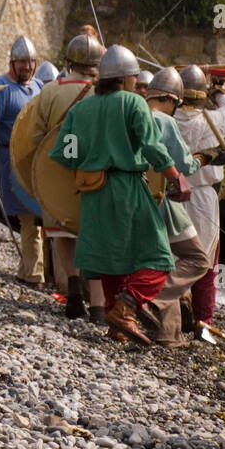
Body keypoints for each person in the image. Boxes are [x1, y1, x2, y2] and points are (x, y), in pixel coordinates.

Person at [51, 46, 188, 345]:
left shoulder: (80, 109)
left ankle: (116, 323)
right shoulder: (134, 104)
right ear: (126, 78)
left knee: (112, 260)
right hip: (127, 189)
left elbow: (64, 152)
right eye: (134, 77)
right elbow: (152, 146)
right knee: (160, 258)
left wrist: (90, 158)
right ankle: (126, 309)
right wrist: (174, 177)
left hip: (92, 191)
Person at [21, 32, 105, 319]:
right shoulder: (102, 92)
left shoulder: (50, 92)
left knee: (62, 232)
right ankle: (98, 304)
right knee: (93, 234)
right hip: (93, 173)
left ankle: (73, 290)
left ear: (69, 61)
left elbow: (34, 137)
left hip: (55, 172)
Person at [138, 68, 213, 346]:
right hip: (164, 203)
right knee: (197, 260)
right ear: (171, 100)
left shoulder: (134, 116)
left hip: (135, 201)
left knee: (163, 262)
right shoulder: (163, 122)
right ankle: (149, 300)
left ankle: (168, 334)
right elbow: (182, 166)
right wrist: (205, 158)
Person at [174, 65, 225, 332]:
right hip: (201, 197)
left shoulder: (167, 120)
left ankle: (175, 307)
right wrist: (220, 91)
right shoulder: (212, 120)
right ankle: (203, 320)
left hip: (171, 193)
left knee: (176, 255)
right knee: (206, 261)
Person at [0, 36, 46, 287]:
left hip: (35, 162)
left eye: (30, 62)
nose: (27, 67)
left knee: (33, 218)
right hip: (9, 159)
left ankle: (27, 271)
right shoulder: (0, 88)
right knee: (29, 217)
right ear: (12, 63)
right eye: (22, 62)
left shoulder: (38, 88)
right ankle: (34, 275)